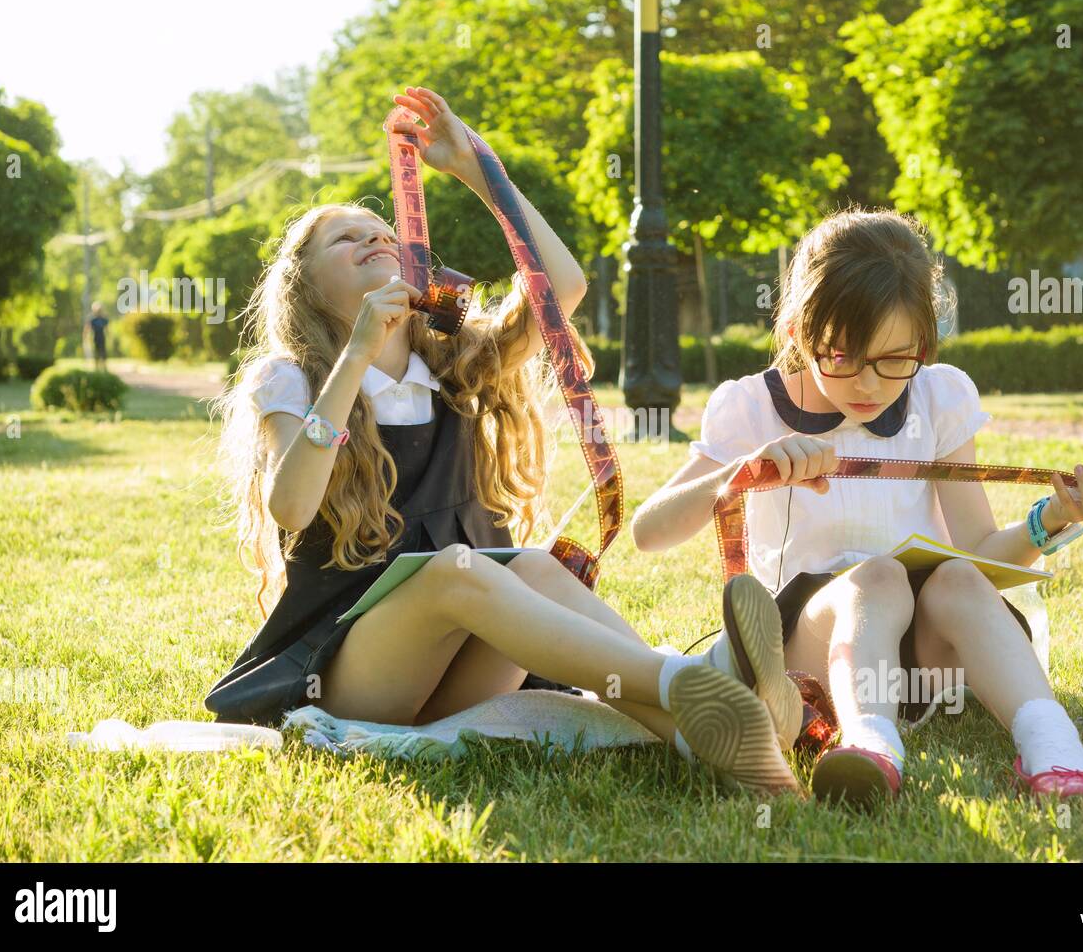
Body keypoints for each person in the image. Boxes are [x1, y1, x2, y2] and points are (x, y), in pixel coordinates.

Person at [204, 86, 799, 795]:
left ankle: (729, 746)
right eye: (347, 237)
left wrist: (483, 173)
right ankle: (690, 678)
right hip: (346, 674)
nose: (376, 236)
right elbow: (292, 508)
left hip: (458, 670)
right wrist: (356, 356)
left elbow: (562, 289)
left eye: (382, 230)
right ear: (304, 287)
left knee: (542, 570)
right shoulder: (293, 376)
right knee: (460, 568)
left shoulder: (449, 358)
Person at [631, 208, 1083, 809]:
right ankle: (870, 744)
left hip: (921, 668)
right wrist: (742, 471)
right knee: (877, 576)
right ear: (796, 332)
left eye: (894, 358)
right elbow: (648, 531)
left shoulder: (937, 397)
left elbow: (978, 552)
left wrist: (1051, 519)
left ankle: (1056, 754)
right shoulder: (750, 409)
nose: (868, 384)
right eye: (842, 355)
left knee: (958, 578)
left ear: (923, 342)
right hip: (808, 662)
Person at [86, 302, 109, 372]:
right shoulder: (92, 319)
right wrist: (86, 336)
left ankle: (104, 367)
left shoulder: (103, 319)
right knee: (96, 352)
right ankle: (96, 367)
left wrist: (109, 336)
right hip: (95, 338)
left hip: (102, 337)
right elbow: (87, 328)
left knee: (103, 352)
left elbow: (107, 329)